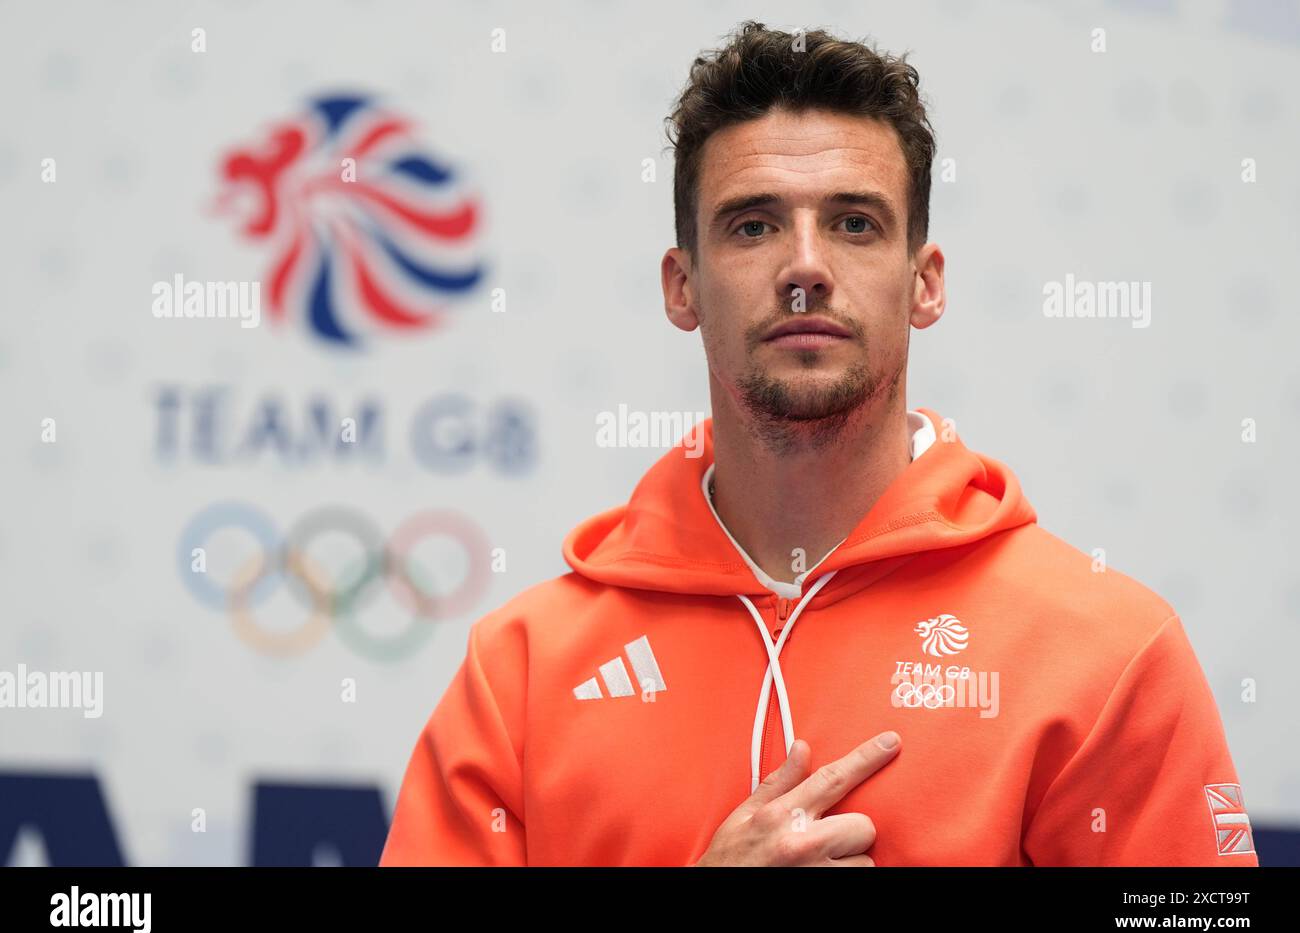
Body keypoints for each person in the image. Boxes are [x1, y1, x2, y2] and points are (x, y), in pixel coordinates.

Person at [380, 21, 1256, 866]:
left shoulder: (1103, 651)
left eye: (855, 223)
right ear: (683, 287)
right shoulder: (525, 672)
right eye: (753, 225)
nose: (805, 267)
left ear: (925, 283)